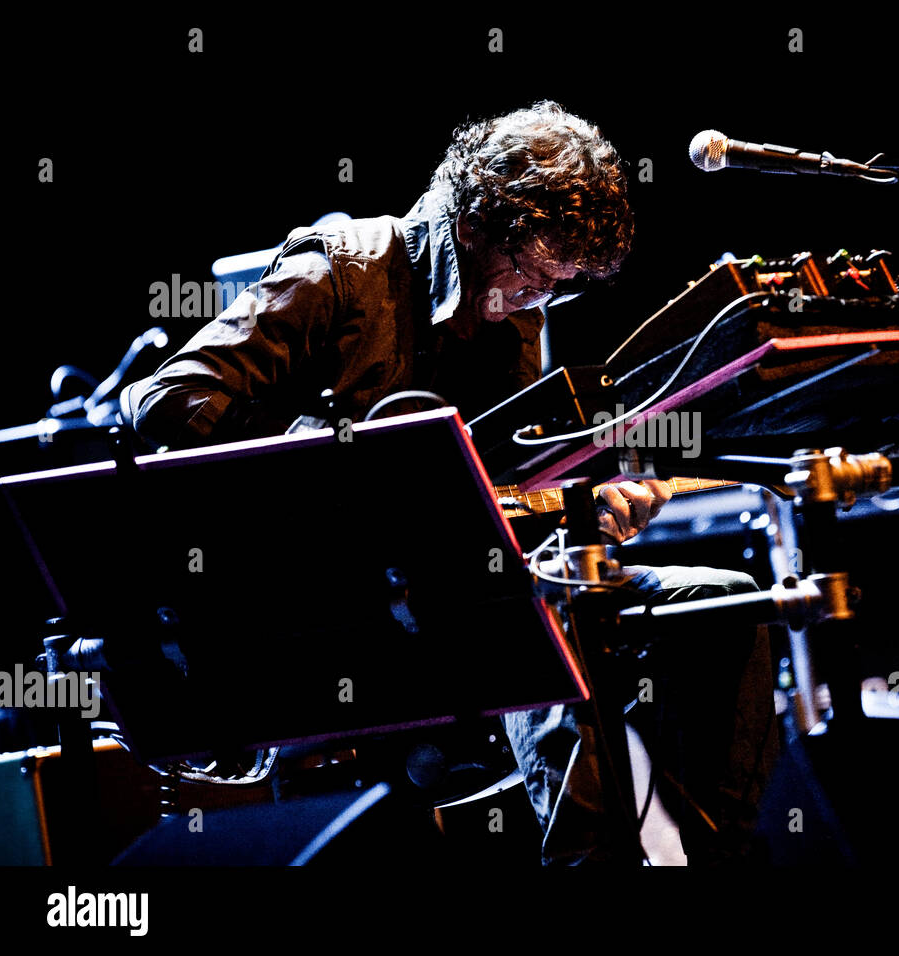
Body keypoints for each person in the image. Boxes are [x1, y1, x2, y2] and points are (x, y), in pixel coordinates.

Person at [123, 100, 776, 865]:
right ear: (473, 225)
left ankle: (719, 857)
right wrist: (327, 466)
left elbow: (510, 488)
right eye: (532, 277)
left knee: (723, 602)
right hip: (329, 604)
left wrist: (583, 503)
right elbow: (163, 403)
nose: (538, 300)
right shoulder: (340, 267)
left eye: (557, 287)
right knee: (537, 608)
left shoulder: (516, 318)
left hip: (456, 591)